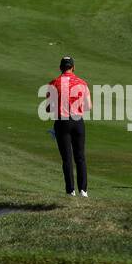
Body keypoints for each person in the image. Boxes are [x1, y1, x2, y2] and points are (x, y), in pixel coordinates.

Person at [48, 55, 92, 197]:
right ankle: (83, 191)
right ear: (73, 67)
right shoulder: (82, 83)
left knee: (67, 158)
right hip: (78, 122)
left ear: (61, 68)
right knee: (80, 157)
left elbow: (48, 108)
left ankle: (70, 190)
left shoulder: (54, 83)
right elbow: (88, 107)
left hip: (62, 122)